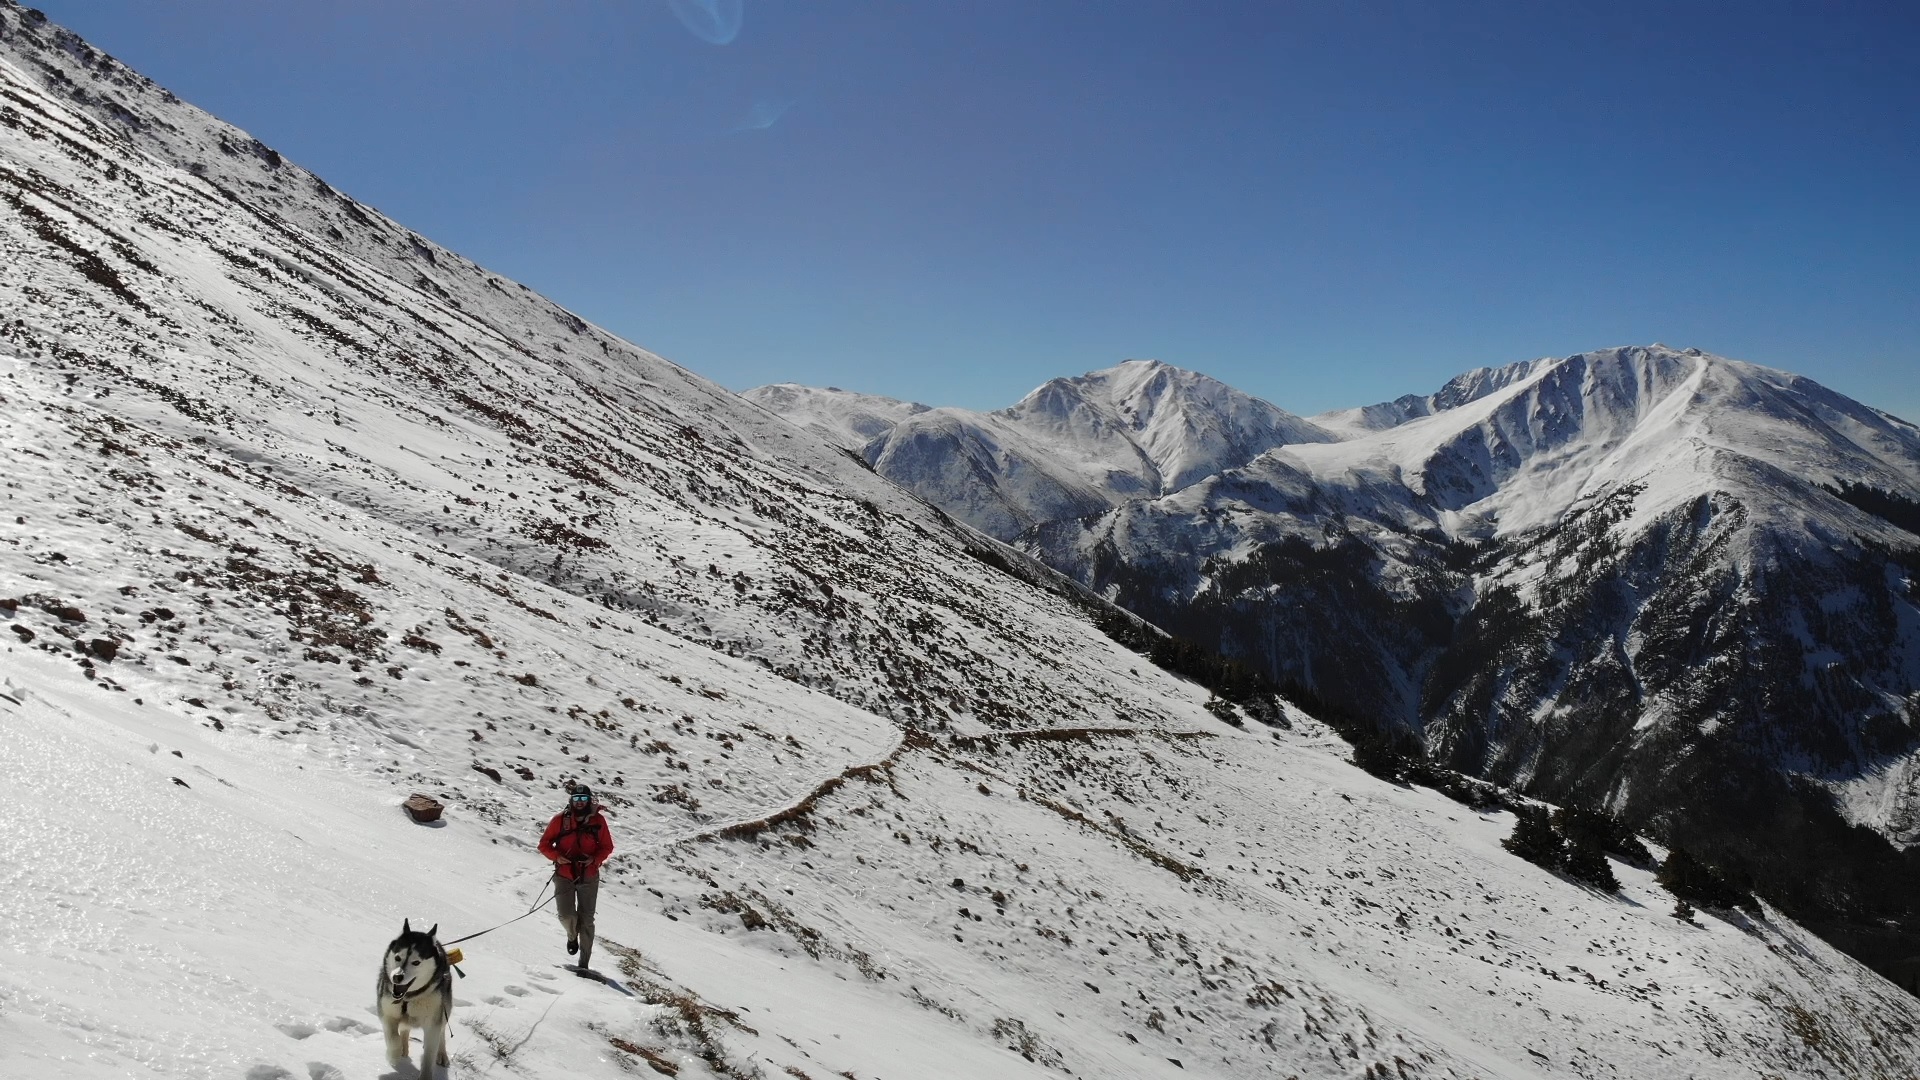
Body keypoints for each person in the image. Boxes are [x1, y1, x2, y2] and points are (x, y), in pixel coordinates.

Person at [537, 786, 614, 973]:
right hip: (564, 874)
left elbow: (607, 847)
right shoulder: (560, 820)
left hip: (589, 874)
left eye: (583, 798)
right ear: (571, 800)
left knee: (587, 919)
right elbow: (544, 844)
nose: (580, 801)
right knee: (566, 915)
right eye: (576, 798)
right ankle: (572, 936)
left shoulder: (598, 821)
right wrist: (556, 856)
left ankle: (584, 964)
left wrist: (594, 860)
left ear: (589, 800)